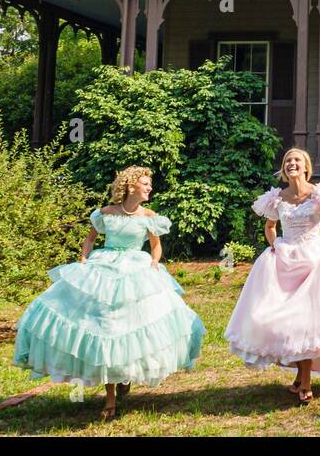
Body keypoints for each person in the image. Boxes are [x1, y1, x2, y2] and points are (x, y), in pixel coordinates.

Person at [12, 167, 206, 421]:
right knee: (106, 325)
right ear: (130, 186)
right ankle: (110, 396)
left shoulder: (149, 216)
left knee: (132, 324)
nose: (150, 188)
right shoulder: (105, 213)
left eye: (150, 184)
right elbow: (90, 240)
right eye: (145, 184)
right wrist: (83, 259)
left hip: (136, 267)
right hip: (105, 266)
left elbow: (156, 247)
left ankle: (124, 373)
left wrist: (154, 264)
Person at [225, 148, 320, 403]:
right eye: (288, 161)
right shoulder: (277, 198)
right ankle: (300, 376)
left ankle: (305, 380)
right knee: (287, 318)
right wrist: (274, 245)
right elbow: (270, 227)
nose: (291, 164)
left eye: (296, 160)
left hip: (313, 258)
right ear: (284, 168)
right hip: (285, 258)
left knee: (308, 318)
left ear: (306, 166)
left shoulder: (319, 194)